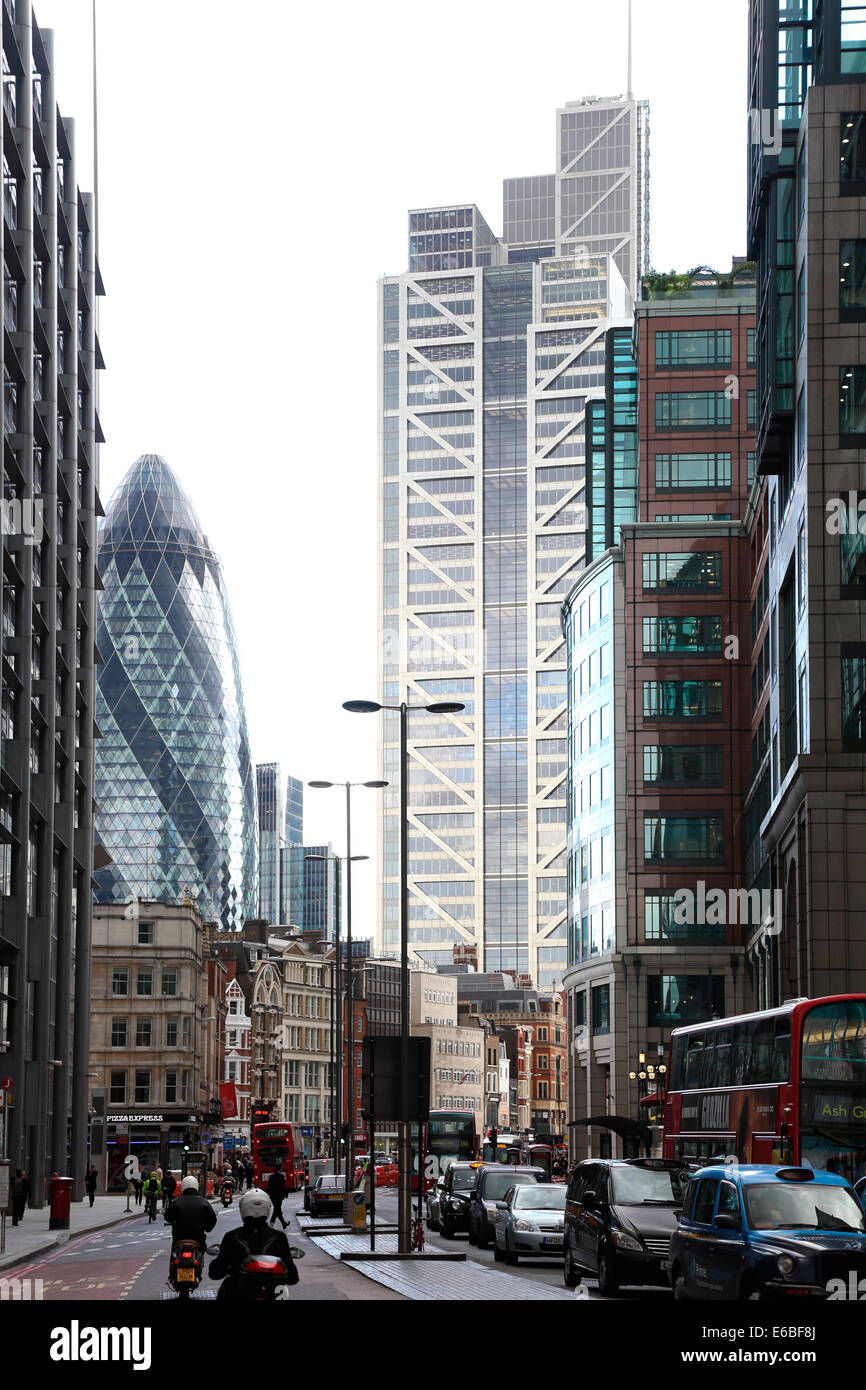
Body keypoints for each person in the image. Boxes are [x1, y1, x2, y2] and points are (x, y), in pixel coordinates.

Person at [209, 1188, 299, 1301]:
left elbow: (215, 1273)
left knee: (226, 1288)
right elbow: (292, 1277)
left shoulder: (232, 1237)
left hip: (238, 1293)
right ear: (267, 1209)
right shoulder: (279, 1237)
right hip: (272, 1293)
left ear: (243, 1209)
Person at [164, 1175, 217, 1251]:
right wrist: (207, 1228)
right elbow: (212, 1219)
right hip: (198, 1238)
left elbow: (167, 1217)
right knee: (201, 1252)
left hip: (179, 1238)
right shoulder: (204, 1202)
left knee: (174, 1253)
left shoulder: (176, 1202)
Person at [266, 1161, 288, 1228]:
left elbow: (268, 1187)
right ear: (280, 1168)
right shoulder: (281, 1176)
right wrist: (286, 1194)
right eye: (282, 1167)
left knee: (277, 1209)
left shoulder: (271, 1176)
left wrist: (269, 1194)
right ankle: (271, 1225)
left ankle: (283, 1223)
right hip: (279, 1196)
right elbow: (283, 1186)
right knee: (277, 1209)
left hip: (273, 1196)